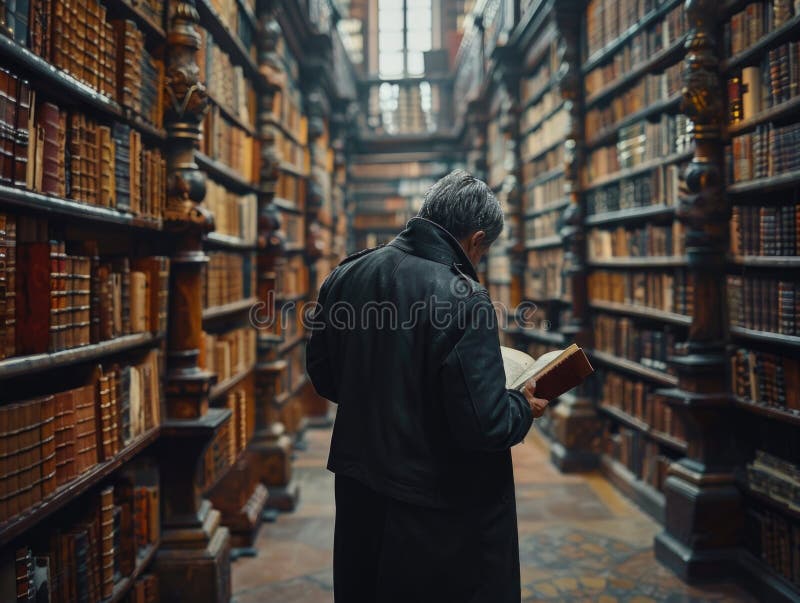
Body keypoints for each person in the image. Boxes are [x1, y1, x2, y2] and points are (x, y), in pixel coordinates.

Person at [306, 169, 549, 603]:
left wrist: (382, 391)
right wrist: (520, 404)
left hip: (360, 486)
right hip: (435, 502)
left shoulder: (347, 274)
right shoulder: (465, 297)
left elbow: (324, 376)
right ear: (476, 240)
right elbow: (485, 426)